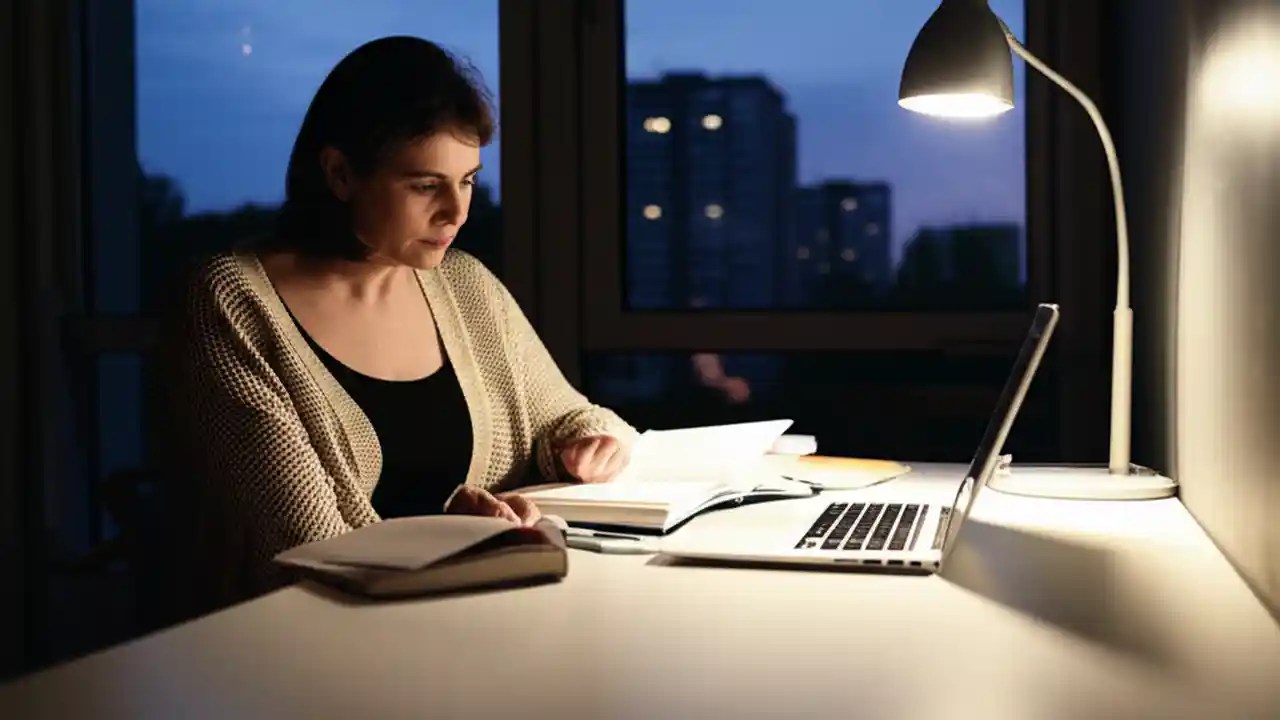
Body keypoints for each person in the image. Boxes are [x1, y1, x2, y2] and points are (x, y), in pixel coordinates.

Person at [162, 36, 635, 607]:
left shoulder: (465, 285)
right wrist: (447, 531)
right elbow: (307, 549)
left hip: (472, 617)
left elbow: (568, 414)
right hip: (296, 640)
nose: (456, 212)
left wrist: (588, 442)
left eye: (467, 181)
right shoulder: (230, 302)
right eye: (425, 186)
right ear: (340, 174)